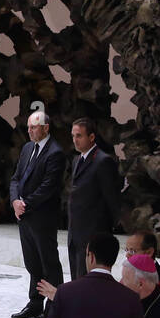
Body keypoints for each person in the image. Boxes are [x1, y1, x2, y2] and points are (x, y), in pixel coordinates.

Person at [8, 110, 64, 318]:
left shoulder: (55, 152)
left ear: (46, 127)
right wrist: (15, 201)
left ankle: (53, 304)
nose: (30, 131)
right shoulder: (27, 148)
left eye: (34, 127)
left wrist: (25, 203)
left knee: (48, 260)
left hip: (42, 216)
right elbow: (16, 178)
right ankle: (34, 302)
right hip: (24, 215)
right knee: (32, 261)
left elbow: (48, 186)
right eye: (29, 127)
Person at [65, 117, 121, 280]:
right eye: (73, 136)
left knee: (88, 280)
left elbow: (112, 198)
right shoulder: (77, 160)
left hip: (93, 233)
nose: (75, 140)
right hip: (75, 232)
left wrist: (107, 229)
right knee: (76, 278)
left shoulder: (103, 161)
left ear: (91, 137)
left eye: (79, 136)